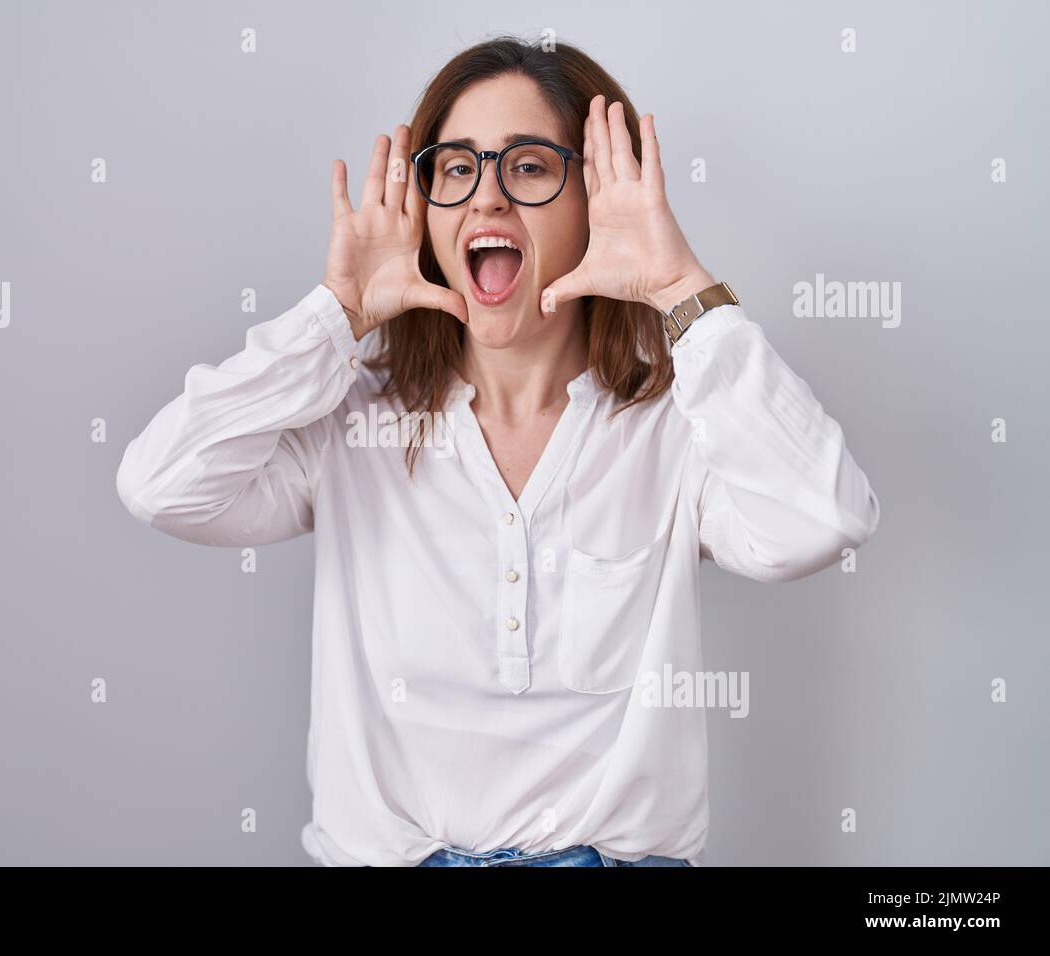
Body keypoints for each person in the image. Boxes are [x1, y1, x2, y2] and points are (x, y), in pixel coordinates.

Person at [115, 35, 880, 867]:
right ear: (425, 212)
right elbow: (161, 485)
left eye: (525, 166)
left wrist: (678, 287)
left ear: (595, 197)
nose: (486, 200)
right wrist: (336, 314)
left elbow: (821, 521)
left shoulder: (674, 425)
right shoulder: (351, 423)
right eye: (455, 169)